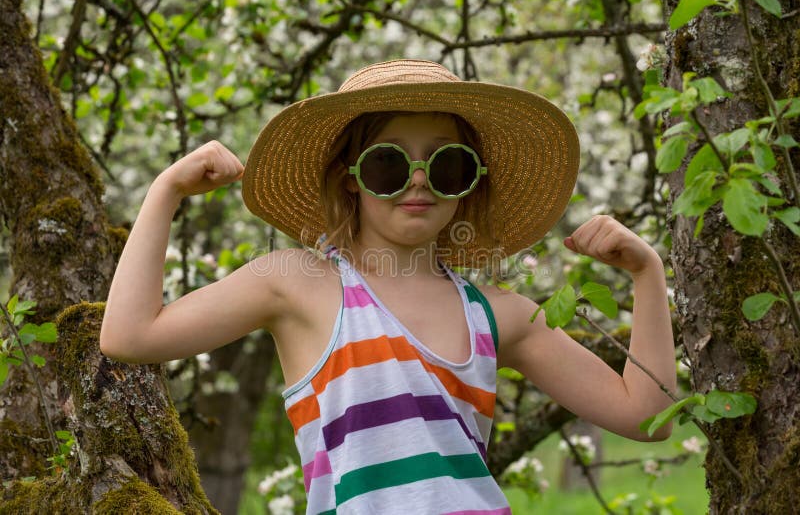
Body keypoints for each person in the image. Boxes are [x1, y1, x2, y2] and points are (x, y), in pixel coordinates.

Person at [100, 59, 676, 513]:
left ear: (469, 182)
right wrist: (165, 191)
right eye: (388, 165)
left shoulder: (497, 313)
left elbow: (647, 418)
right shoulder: (298, 285)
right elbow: (129, 335)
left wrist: (647, 274)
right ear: (350, 180)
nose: (419, 181)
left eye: (446, 165)